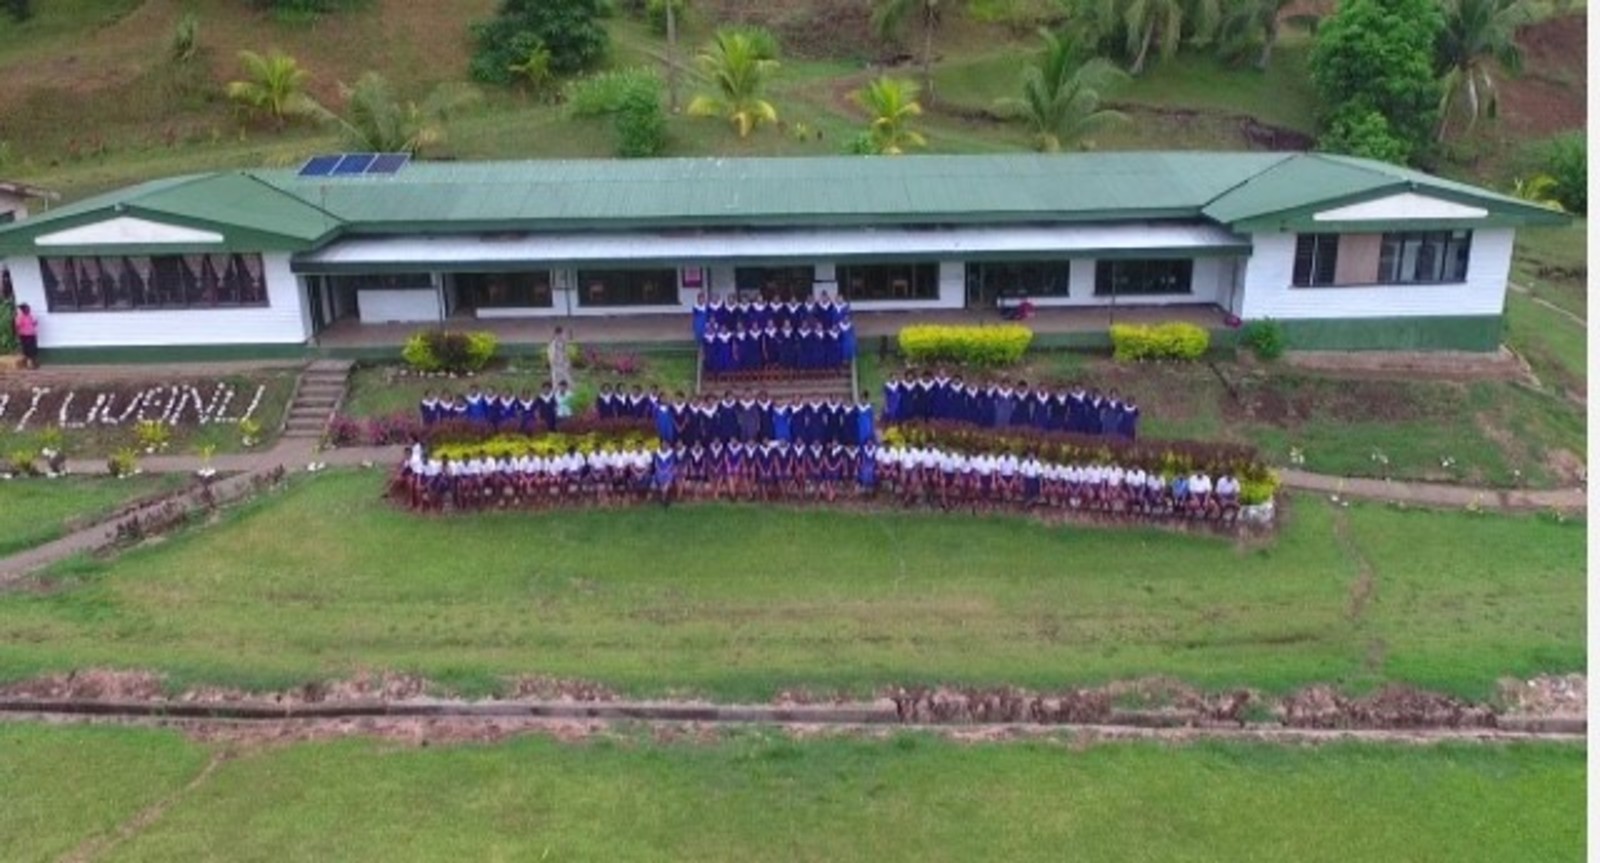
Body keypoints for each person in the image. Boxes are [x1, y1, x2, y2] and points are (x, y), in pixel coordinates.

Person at [14, 303, 38, 369]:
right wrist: (17, 335)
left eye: (28, 309)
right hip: (24, 335)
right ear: (23, 310)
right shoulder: (19, 317)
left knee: (33, 348)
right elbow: (17, 326)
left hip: (31, 334)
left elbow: (35, 323)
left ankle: (32, 363)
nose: (28, 310)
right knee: (27, 349)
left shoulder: (31, 316)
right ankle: (29, 364)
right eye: (26, 309)